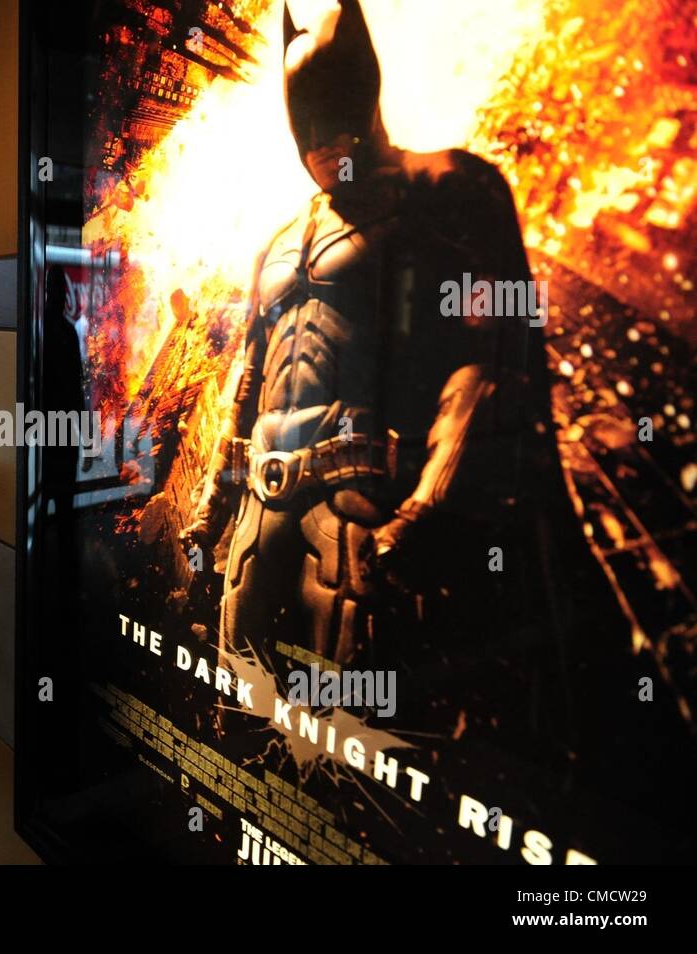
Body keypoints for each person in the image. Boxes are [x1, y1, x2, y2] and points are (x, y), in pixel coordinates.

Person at [180, 0, 586, 732]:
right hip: (259, 509)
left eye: (332, 127)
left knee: (349, 737)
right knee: (240, 712)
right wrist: (211, 506)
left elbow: (484, 368)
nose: (317, 149)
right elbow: (247, 378)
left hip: (359, 510)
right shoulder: (279, 242)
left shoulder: (445, 193)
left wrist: (424, 510)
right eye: (305, 133)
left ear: (366, 104)